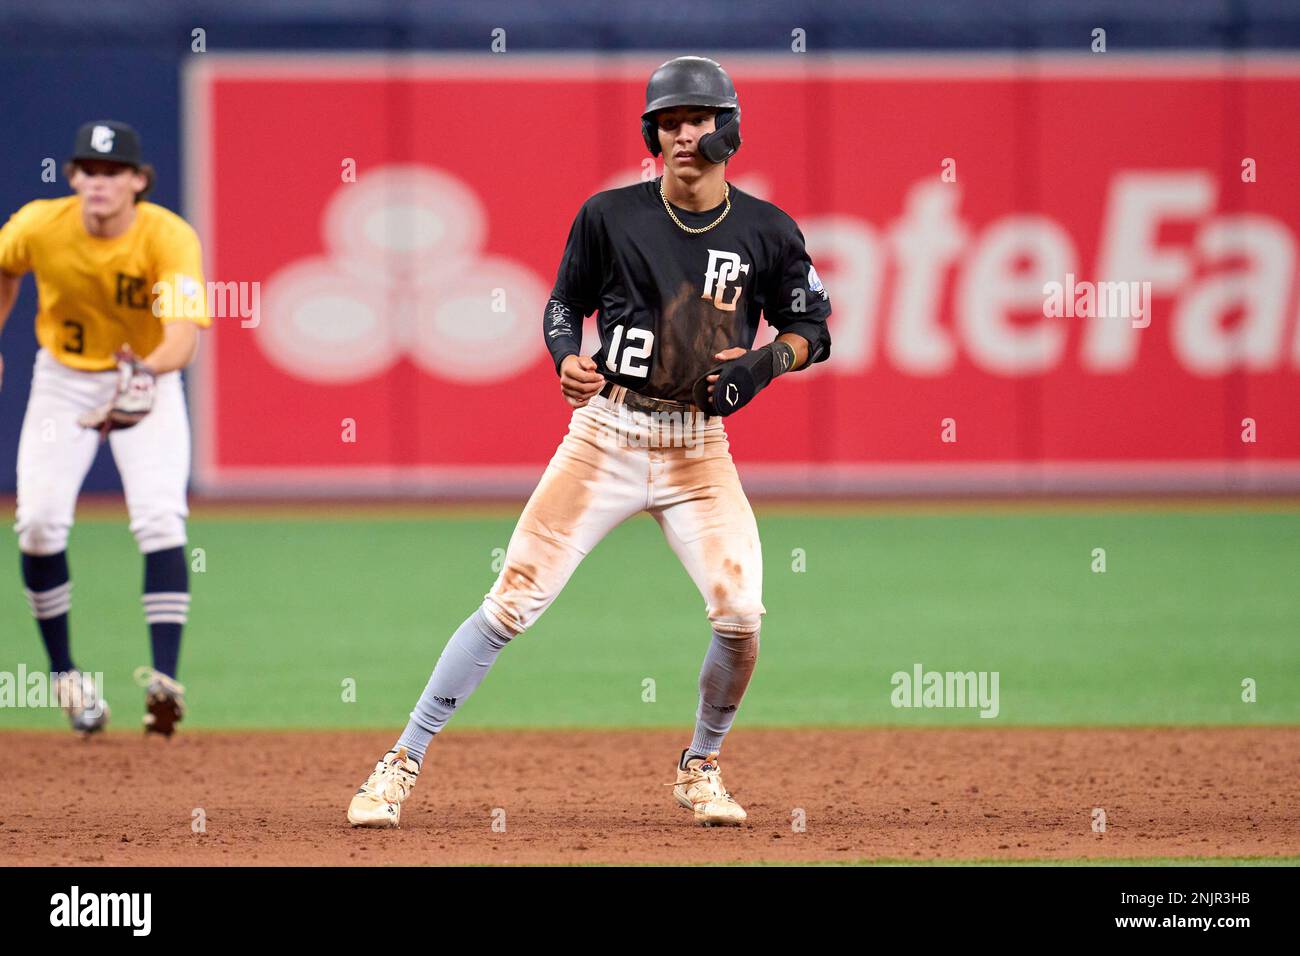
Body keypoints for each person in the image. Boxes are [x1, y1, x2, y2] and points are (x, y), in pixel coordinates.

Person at [347, 56, 831, 827]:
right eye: (668, 122)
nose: (680, 134)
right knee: (509, 604)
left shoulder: (766, 230)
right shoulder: (610, 215)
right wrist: (564, 357)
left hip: (698, 450)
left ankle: (701, 764)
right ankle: (400, 760)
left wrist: (764, 364)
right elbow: (563, 305)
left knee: (741, 615)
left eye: (697, 119)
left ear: (727, 129)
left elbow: (813, 329)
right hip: (606, 433)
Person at [0, 120, 209, 737]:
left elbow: (182, 336)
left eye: (113, 171)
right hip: (63, 379)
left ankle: (164, 684)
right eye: (88, 170)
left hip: (145, 376)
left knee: (160, 518)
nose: (98, 181)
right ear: (72, 177)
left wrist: (145, 374)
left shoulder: (168, 236)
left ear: (138, 182)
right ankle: (66, 677)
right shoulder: (39, 224)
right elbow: (4, 266)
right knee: (37, 524)